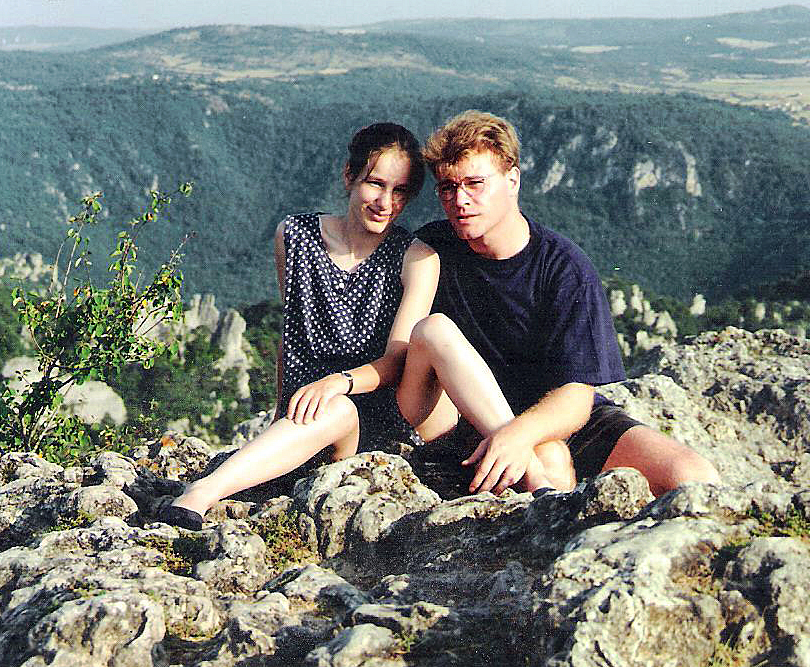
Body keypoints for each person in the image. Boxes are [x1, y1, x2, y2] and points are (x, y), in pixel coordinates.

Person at [396, 110, 720, 497]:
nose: (459, 200)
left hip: (552, 412)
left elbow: (576, 398)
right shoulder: (429, 250)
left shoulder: (563, 267)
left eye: (475, 183)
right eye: (447, 187)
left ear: (512, 180)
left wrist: (517, 435)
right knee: (549, 459)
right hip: (466, 414)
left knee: (692, 477)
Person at [158, 122, 440, 530]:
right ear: (349, 177)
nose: (385, 202)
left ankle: (201, 492)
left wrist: (337, 382)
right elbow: (293, 335)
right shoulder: (294, 235)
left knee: (338, 408)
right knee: (325, 409)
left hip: (366, 418)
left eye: (400, 192)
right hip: (300, 409)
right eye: (374, 184)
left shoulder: (417, 258)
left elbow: (398, 360)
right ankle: (220, 485)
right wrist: (279, 411)